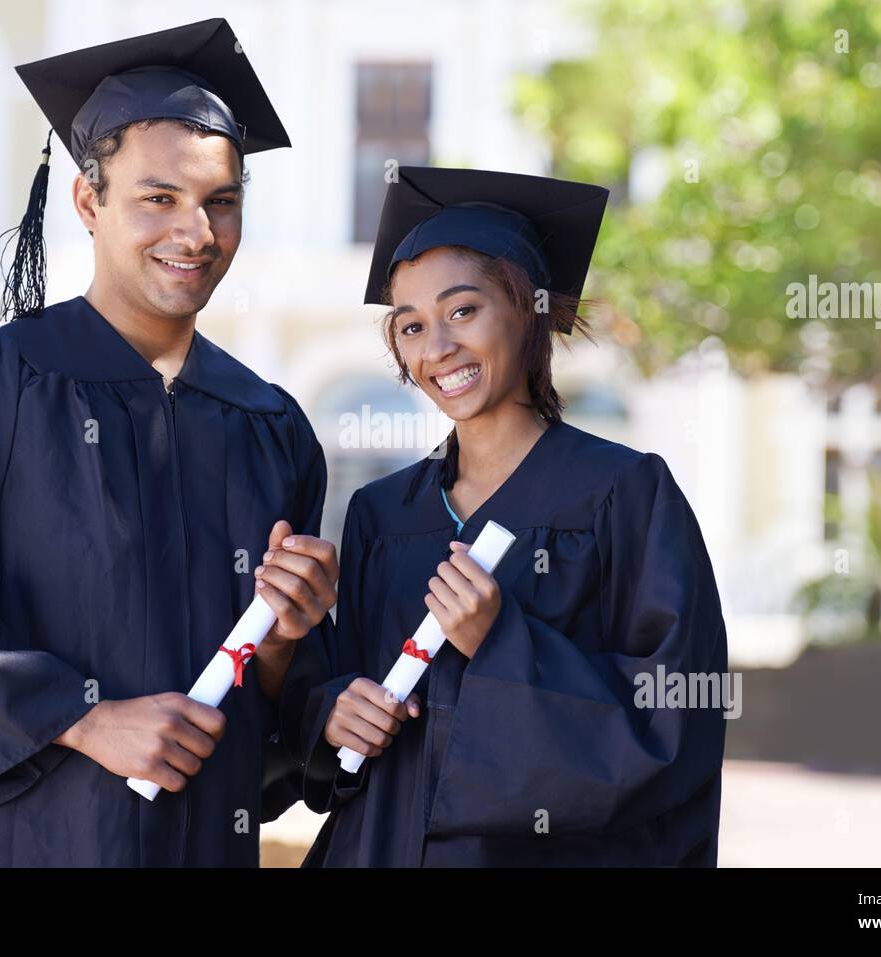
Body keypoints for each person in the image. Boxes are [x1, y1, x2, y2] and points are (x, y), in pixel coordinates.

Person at [0, 19, 337, 867]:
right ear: (88, 202)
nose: (196, 233)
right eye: (157, 198)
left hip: (185, 837)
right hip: (6, 838)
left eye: (221, 202)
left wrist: (286, 637)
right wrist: (84, 717)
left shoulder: (269, 428)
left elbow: (284, 702)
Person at [281, 167, 729, 866]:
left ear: (529, 309)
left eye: (464, 311)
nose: (438, 348)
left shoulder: (625, 495)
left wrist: (502, 642)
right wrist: (336, 709)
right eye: (411, 326)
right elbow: (334, 721)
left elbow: (674, 727)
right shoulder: (380, 514)